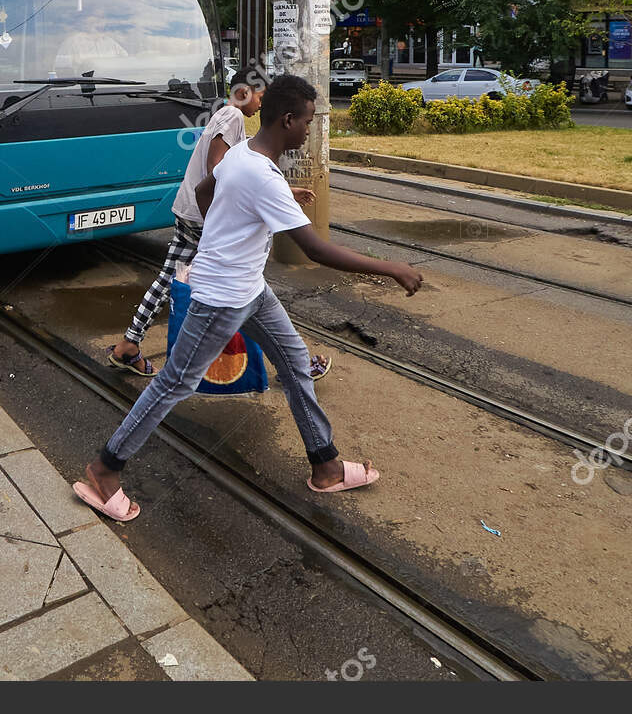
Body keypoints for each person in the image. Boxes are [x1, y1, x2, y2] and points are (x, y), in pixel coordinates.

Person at [75, 75, 424, 521]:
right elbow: (316, 250)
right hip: (221, 296)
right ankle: (105, 470)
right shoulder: (261, 173)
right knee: (174, 383)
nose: (309, 131)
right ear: (288, 119)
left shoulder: (244, 153)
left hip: (250, 290)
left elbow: (206, 192)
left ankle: (326, 465)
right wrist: (392, 268)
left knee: (296, 362)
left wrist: (228, 230)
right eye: (308, 122)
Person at [105, 81, 332, 381]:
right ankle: (295, 363)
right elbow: (220, 170)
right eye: (260, 96)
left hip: (191, 211)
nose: (262, 104)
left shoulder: (225, 117)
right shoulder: (232, 116)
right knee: (249, 287)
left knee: (170, 281)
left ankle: (129, 344)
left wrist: (285, 191)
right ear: (244, 92)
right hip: (204, 215)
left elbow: (238, 173)